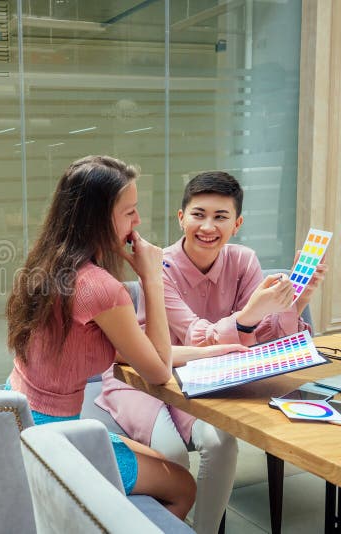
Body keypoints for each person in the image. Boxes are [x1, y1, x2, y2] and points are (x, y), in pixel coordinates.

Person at [5, 155, 246, 520]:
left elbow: (131, 352)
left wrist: (212, 352)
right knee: (184, 487)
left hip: (21, 418)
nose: (138, 222)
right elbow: (158, 371)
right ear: (100, 218)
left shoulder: (49, 263)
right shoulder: (100, 288)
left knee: (167, 461)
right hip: (56, 437)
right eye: (130, 212)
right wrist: (152, 277)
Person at [97, 171, 326, 534]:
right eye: (198, 214)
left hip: (209, 378)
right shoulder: (159, 266)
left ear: (237, 224)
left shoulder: (244, 261)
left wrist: (296, 301)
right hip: (145, 377)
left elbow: (266, 336)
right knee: (173, 456)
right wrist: (249, 315)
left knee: (221, 443)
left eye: (220, 217)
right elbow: (198, 336)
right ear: (181, 217)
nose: (207, 226)